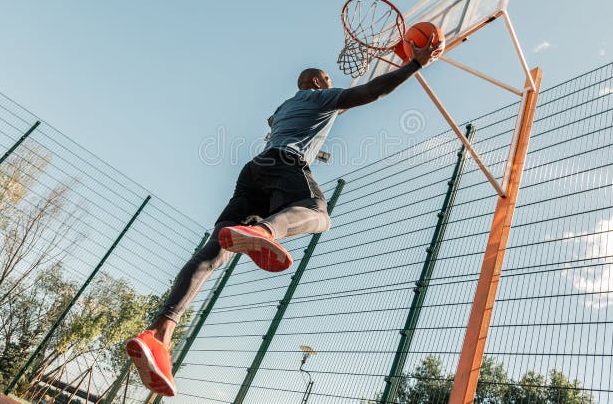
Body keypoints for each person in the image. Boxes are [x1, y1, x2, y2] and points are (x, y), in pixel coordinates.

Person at [126, 39, 443, 396]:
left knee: (213, 252)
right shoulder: (318, 98)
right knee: (318, 213)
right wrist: (415, 64)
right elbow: (369, 93)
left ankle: (159, 333)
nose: (330, 82)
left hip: (254, 171)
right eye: (326, 78)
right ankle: (264, 230)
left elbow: (340, 108)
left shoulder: (285, 108)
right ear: (317, 85)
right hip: (284, 163)